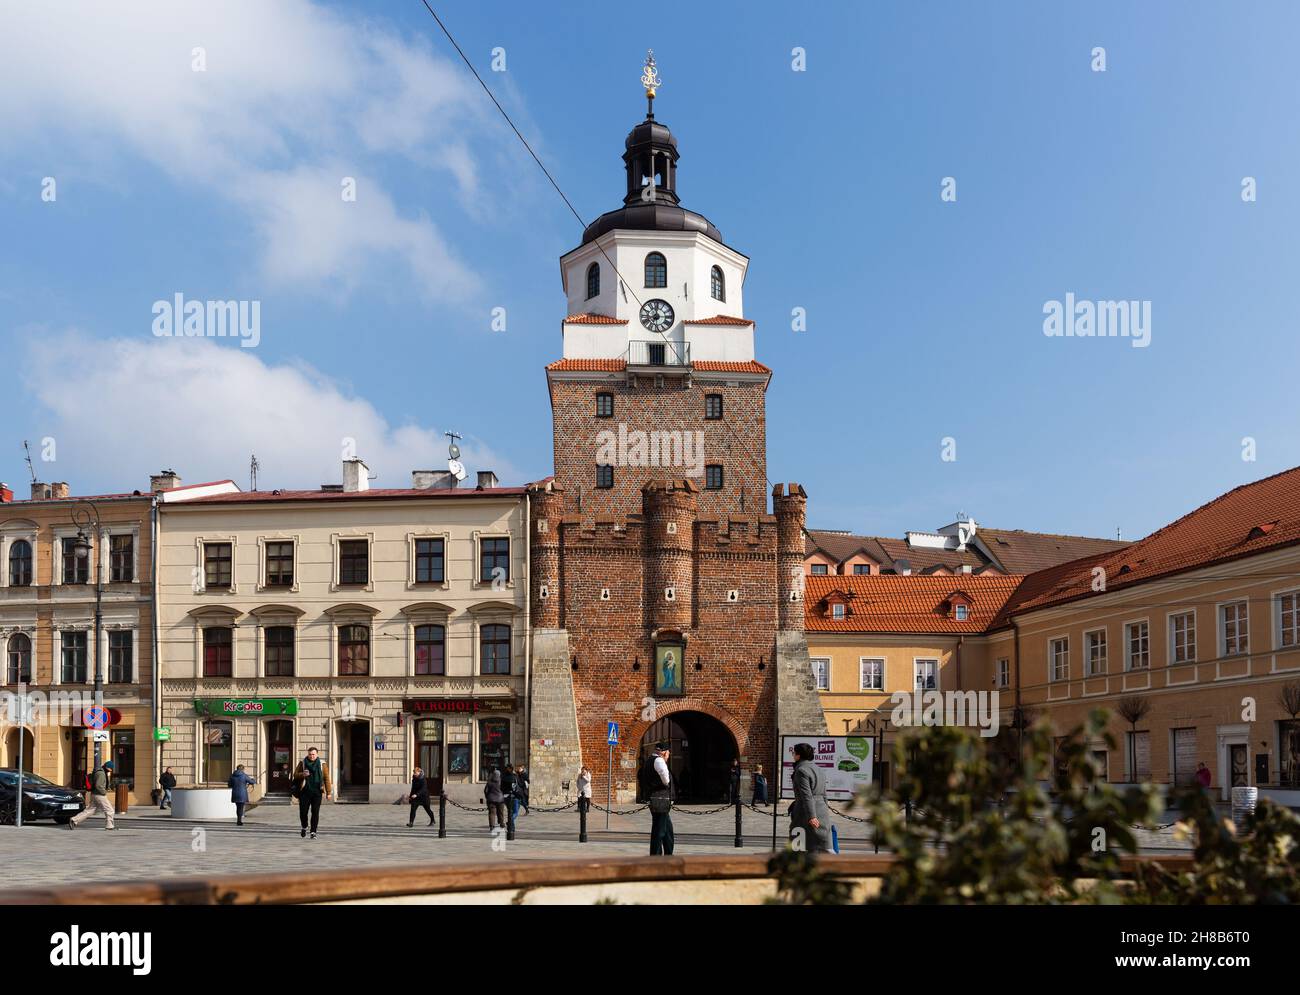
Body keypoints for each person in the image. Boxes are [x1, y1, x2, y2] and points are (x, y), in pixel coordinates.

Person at [788, 743, 832, 853]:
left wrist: (812, 816)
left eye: (794, 753)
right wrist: (825, 810)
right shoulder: (819, 769)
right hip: (821, 811)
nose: (793, 755)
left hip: (805, 813)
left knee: (799, 846)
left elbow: (806, 795)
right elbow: (824, 794)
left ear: (798, 755)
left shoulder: (801, 770)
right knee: (819, 846)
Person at [638, 742, 674, 856]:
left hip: (656, 798)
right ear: (664, 752)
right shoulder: (659, 761)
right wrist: (668, 785)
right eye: (668, 753)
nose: (669, 755)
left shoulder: (650, 760)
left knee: (667, 829)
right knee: (659, 830)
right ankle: (655, 855)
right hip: (660, 798)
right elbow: (666, 780)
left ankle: (668, 853)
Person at [293, 746, 331, 839]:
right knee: (303, 812)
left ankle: (313, 832)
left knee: (315, 812)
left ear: (317, 754)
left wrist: (329, 792)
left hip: (317, 792)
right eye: (310, 754)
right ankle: (304, 826)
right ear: (308, 754)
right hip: (304, 792)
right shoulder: (303, 763)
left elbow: (326, 778)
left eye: (313, 754)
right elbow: (295, 775)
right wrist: (303, 774)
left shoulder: (322, 764)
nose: (311, 756)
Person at [68, 760, 116, 830]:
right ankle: (109, 826)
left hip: (94, 794)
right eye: (110, 769)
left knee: (90, 810)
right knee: (109, 810)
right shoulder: (101, 773)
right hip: (99, 794)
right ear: (108, 767)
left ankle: (74, 820)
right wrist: (104, 792)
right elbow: (99, 785)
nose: (111, 771)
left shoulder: (98, 771)